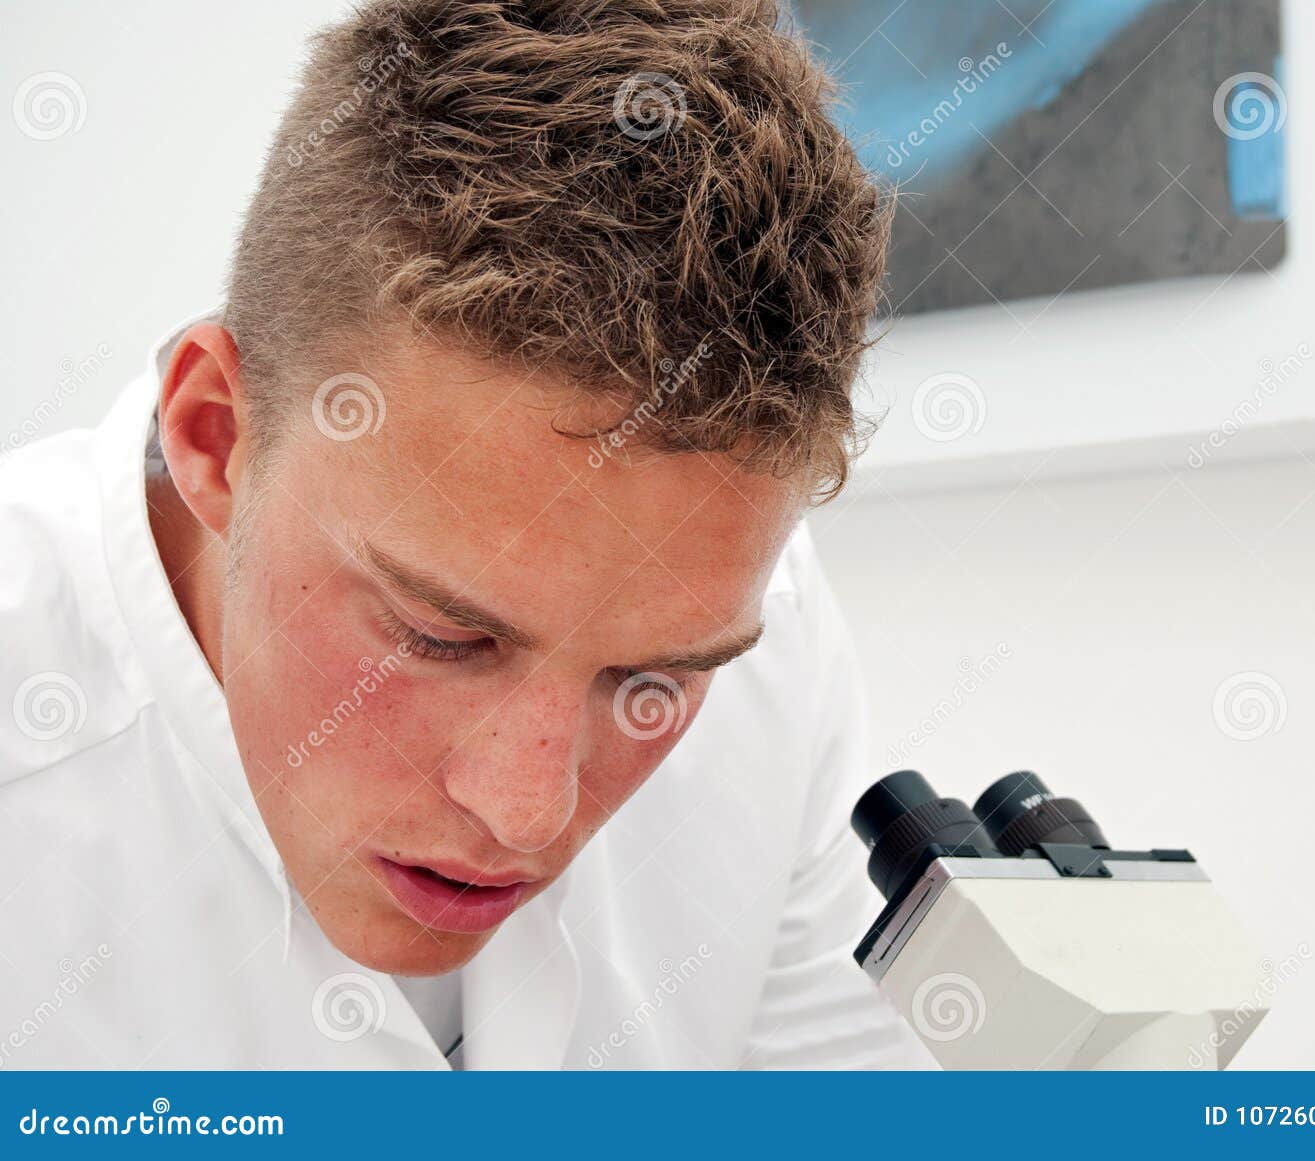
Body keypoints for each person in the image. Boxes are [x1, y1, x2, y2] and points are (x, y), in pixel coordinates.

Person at [0, 0, 931, 1069]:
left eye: (651, 683)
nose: (527, 813)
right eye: (438, 636)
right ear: (217, 437)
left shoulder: (771, 638)